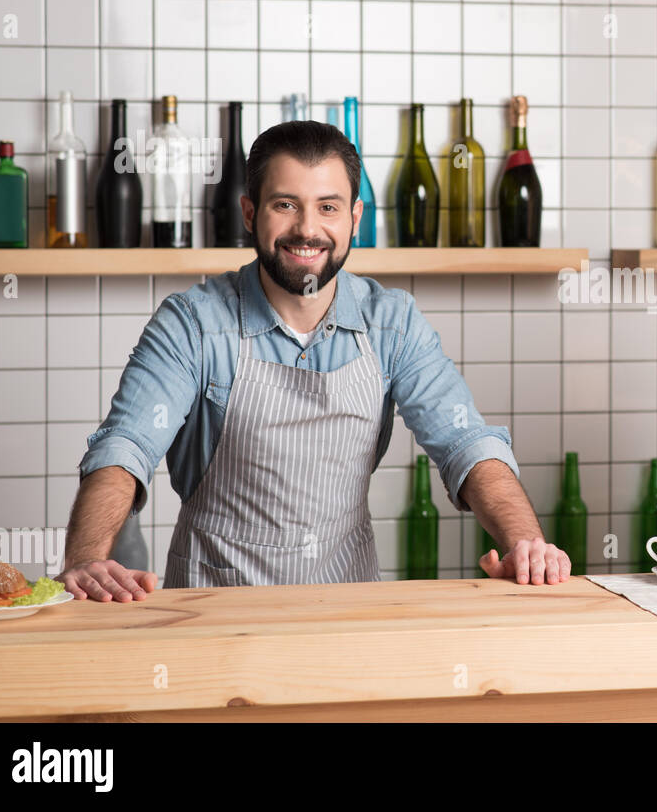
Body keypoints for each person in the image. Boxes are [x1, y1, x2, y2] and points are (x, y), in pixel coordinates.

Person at [59, 120, 569, 601]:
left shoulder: (392, 323)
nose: (308, 229)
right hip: (210, 615)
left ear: (355, 218)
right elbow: (125, 448)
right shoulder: (193, 323)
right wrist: (85, 559)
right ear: (250, 213)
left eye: (328, 207)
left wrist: (527, 545)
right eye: (286, 204)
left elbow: (466, 444)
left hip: (346, 613)